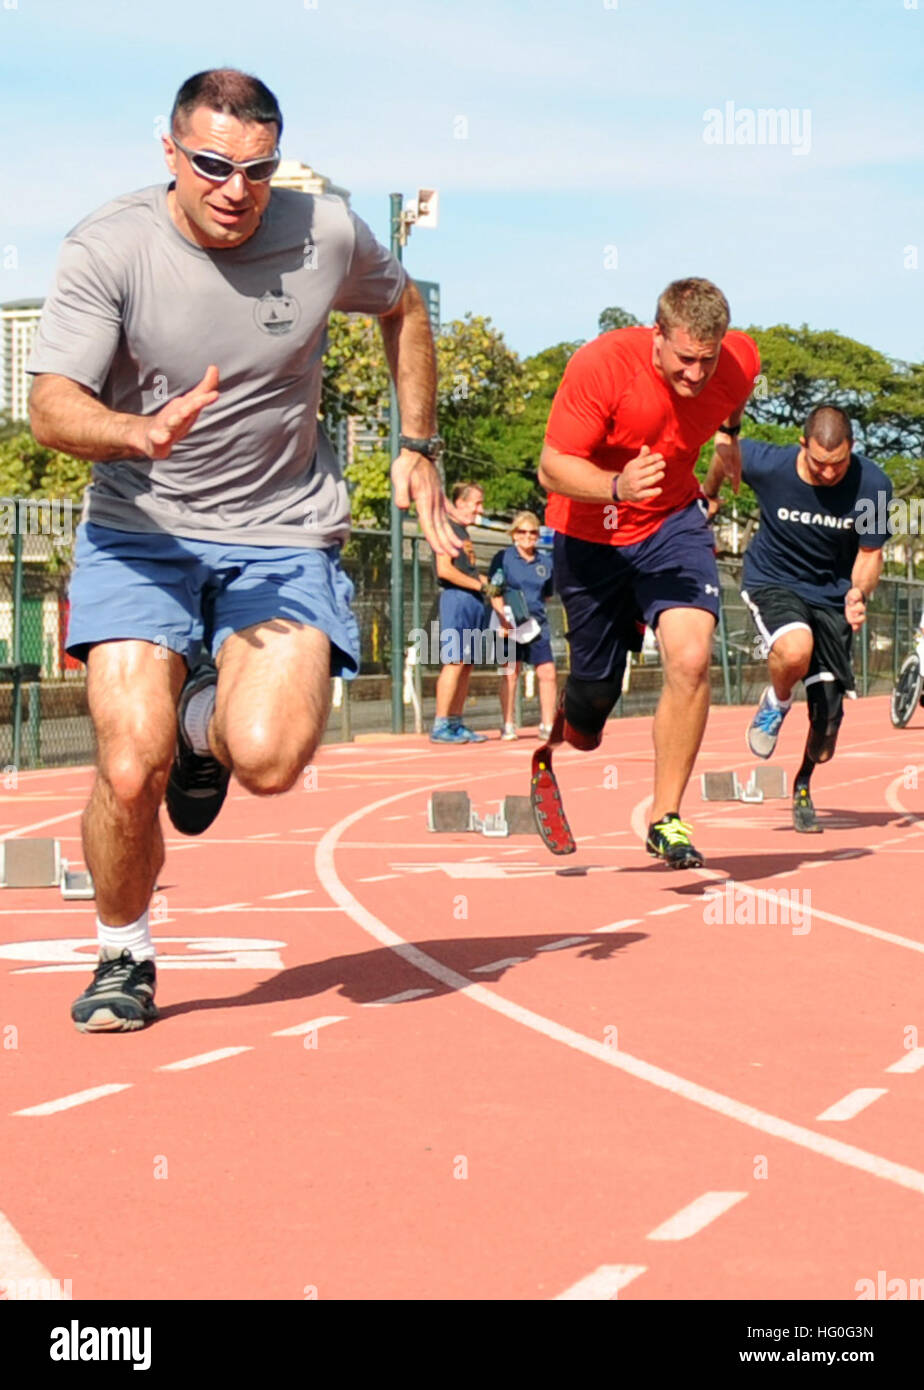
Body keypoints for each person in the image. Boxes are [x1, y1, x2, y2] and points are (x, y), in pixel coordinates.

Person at [27, 68, 455, 1032]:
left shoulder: (327, 232)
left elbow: (404, 309)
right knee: (127, 765)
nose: (234, 189)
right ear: (170, 152)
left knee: (266, 759)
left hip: (281, 534)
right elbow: (49, 404)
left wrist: (417, 446)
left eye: (256, 170)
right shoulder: (111, 245)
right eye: (213, 164)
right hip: (143, 533)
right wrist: (131, 433)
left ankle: (202, 730)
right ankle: (124, 954)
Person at [534, 278, 759, 866]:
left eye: (706, 361)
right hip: (591, 534)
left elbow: (736, 387)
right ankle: (573, 712)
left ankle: (666, 818)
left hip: (671, 524)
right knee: (591, 714)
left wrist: (729, 438)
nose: (695, 375)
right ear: (656, 336)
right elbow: (552, 468)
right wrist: (616, 485)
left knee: (689, 657)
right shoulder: (603, 366)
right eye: (684, 359)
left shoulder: (734, 362)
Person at [703, 405, 892, 832]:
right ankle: (778, 700)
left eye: (838, 463)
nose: (828, 474)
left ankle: (803, 780)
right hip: (774, 580)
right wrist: (710, 492)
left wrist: (858, 594)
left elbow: (870, 553)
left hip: (832, 595)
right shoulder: (770, 464)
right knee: (794, 649)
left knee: (825, 731)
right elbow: (723, 450)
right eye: (819, 463)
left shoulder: (875, 485)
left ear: (853, 449)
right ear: (802, 445)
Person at [430, 482, 506, 743]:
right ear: (460, 503)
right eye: (476, 503)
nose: (480, 509)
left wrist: (490, 585)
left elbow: (468, 570)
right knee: (455, 660)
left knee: (467, 663)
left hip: (473, 600)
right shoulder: (446, 529)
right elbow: (445, 570)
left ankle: (455, 722)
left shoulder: (463, 532)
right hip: (457, 600)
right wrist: (480, 584)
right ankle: (441, 724)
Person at [487, 512, 557, 740]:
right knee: (510, 672)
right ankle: (508, 724)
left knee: (547, 672)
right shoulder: (503, 558)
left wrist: (531, 614)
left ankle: (547, 725)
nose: (528, 536)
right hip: (508, 623)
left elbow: (546, 594)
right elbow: (494, 590)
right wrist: (503, 618)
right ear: (514, 534)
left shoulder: (546, 562)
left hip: (536, 625)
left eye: (532, 532)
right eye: (522, 531)